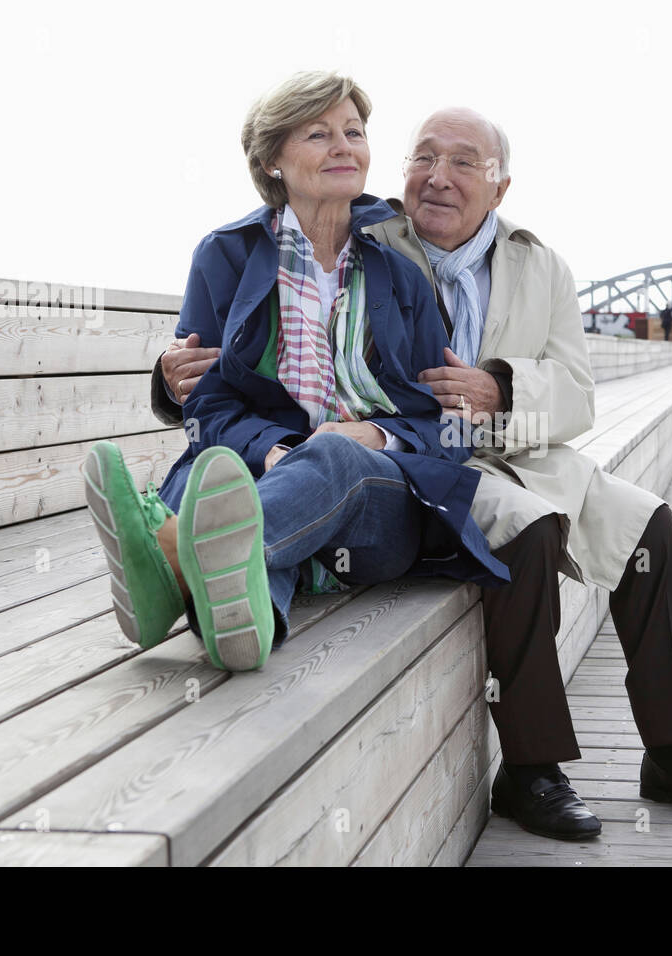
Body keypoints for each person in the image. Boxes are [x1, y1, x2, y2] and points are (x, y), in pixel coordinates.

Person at [152, 107, 672, 841]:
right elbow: (267, 298)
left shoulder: (541, 266)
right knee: (525, 536)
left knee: (650, 530)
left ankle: (671, 751)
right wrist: (167, 380)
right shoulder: (368, 235)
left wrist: (503, 389)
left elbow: (577, 399)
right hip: (431, 457)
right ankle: (531, 769)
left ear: (500, 188)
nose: (438, 178)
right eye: (424, 158)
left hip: (521, 448)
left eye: (464, 163)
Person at [86, 72, 507, 675]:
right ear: (273, 160)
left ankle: (172, 567)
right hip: (260, 474)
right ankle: (243, 623)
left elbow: (448, 426)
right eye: (318, 133)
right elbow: (207, 409)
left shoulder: (403, 277)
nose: (344, 146)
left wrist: (378, 437)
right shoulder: (224, 256)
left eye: (354, 132)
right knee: (214, 475)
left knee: (331, 459)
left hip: (377, 501)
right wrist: (278, 453)